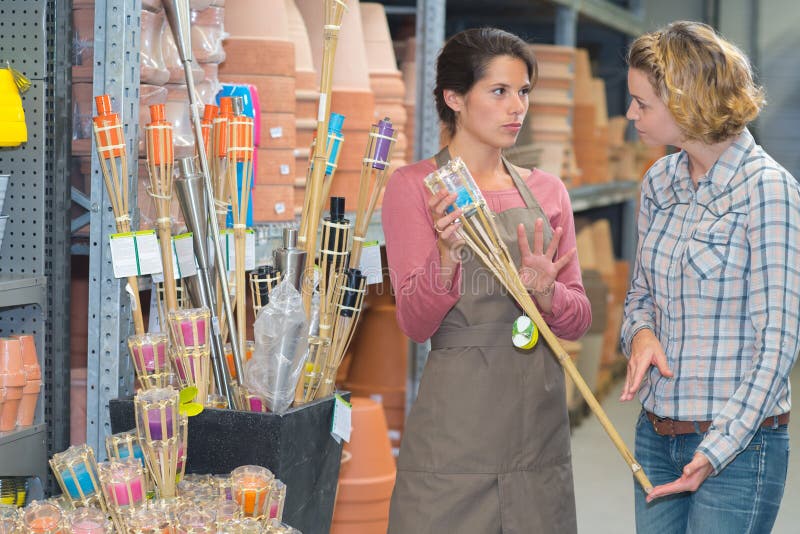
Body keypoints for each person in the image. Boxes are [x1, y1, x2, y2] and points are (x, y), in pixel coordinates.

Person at [382, 27, 592, 533]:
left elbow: (580, 319)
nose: (516, 107)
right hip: (457, 428)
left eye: (523, 92)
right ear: (454, 97)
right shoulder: (414, 188)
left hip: (537, 424)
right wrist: (448, 254)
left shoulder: (547, 192)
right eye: (499, 92)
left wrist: (547, 291)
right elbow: (414, 324)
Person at [620, 20, 800, 534]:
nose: (631, 113)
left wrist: (716, 449)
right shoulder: (659, 181)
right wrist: (643, 334)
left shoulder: (766, 191)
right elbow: (639, 296)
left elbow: (779, 342)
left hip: (738, 449)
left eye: (642, 103)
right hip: (656, 437)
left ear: (686, 102)